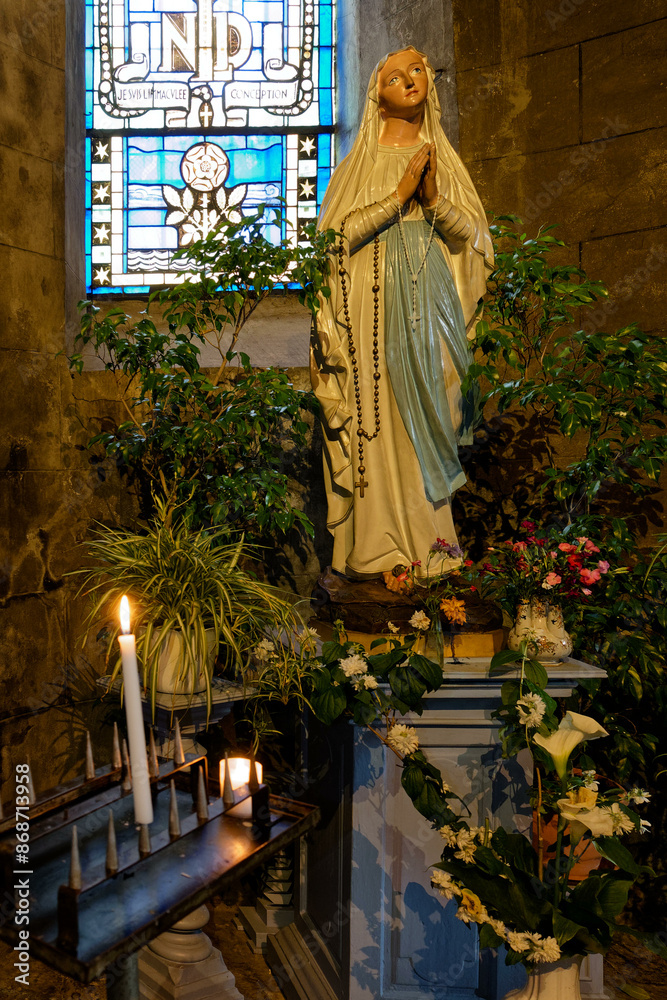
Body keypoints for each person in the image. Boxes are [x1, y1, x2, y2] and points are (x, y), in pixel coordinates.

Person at [312, 47, 493, 588]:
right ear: (377, 95)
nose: (410, 80)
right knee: (378, 415)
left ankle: (433, 547)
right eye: (395, 75)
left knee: (431, 410)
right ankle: (377, 547)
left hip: (431, 304)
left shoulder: (445, 160)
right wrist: (397, 198)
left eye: (418, 70)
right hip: (368, 308)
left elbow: (476, 242)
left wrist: (434, 201)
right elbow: (334, 243)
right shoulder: (356, 168)